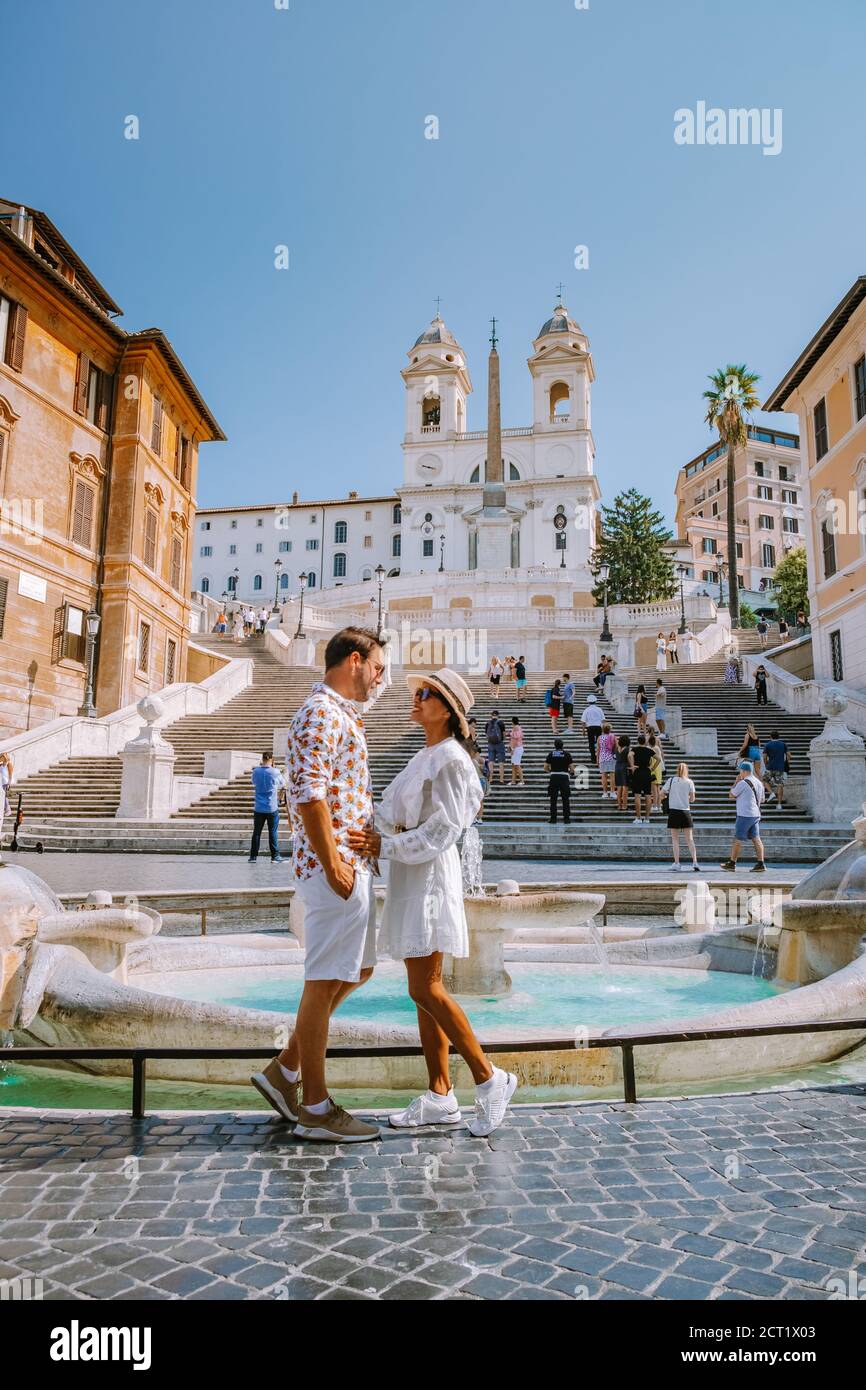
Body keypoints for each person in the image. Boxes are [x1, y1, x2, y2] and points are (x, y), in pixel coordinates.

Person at [346, 669, 517, 1137]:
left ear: (446, 708)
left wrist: (386, 847)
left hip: (428, 877)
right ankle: (441, 1093)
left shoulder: (452, 761)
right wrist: (362, 830)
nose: (415, 699)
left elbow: (445, 831)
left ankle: (489, 1076)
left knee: (427, 988)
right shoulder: (425, 755)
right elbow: (387, 812)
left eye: (424, 694)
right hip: (409, 873)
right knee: (421, 990)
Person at [249, 626, 386, 1142]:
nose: (379, 678)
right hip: (335, 869)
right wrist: (333, 864)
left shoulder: (339, 715)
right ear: (354, 660)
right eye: (376, 667)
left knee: (361, 969)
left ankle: (284, 1071)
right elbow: (308, 795)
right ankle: (316, 1107)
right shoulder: (320, 713)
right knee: (324, 977)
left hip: (350, 864)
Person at [720, 761, 767, 872]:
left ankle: (732, 863)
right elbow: (762, 800)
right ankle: (761, 863)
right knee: (756, 839)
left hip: (744, 814)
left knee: (737, 839)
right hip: (755, 814)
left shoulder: (743, 783)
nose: (740, 773)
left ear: (745, 771)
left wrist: (735, 782)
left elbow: (731, 795)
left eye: (740, 770)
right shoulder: (759, 783)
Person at [248, 752, 285, 862]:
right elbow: (283, 784)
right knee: (272, 831)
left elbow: (254, 782)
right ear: (272, 760)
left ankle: (253, 856)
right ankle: (275, 856)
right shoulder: (275, 772)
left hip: (258, 806)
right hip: (271, 806)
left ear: (262, 759)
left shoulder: (256, 771)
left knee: (257, 832)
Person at [662, 761, 700, 871]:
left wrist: (670, 797)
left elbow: (661, 793)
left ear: (677, 770)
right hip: (686, 812)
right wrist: (685, 797)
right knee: (690, 839)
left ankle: (677, 863)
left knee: (675, 839)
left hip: (674, 812)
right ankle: (695, 862)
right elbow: (692, 799)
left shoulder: (671, 780)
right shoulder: (690, 782)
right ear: (686, 770)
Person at [545, 738, 574, 824]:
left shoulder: (551, 754)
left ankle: (553, 819)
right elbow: (572, 768)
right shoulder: (567, 754)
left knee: (553, 799)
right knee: (565, 799)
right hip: (564, 777)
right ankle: (566, 819)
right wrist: (570, 773)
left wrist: (551, 771)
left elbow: (545, 767)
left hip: (554, 777)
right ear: (562, 745)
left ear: (555, 745)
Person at [628, 734, 654, 825]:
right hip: (647, 772)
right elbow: (658, 759)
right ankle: (647, 818)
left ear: (638, 741)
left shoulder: (634, 749)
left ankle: (638, 817)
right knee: (648, 795)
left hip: (638, 772)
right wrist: (652, 767)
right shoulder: (649, 750)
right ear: (645, 741)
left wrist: (632, 766)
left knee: (637, 796)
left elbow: (630, 755)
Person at [761, 729, 790, 808]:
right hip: (780, 768)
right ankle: (779, 804)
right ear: (778, 737)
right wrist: (786, 762)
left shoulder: (767, 745)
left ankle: (771, 793)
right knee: (780, 785)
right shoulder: (783, 744)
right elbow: (789, 755)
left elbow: (764, 757)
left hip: (770, 767)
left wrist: (766, 763)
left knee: (764, 780)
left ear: (770, 737)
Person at [580, 693, 604, 765]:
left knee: (591, 743)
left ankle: (593, 758)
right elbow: (603, 720)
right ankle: (599, 757)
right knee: (599, 743)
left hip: (590, 727)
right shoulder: (599, 709)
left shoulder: (586, 710)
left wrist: (583, 730)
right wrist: (603, 729)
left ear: (588, 702)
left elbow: (583, 721)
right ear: (595, 701)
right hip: (598, 727)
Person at [485, 709, 506, 785]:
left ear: (491, 715)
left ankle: (490, 779)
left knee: (491, 762)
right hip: (499, 744)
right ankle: (501, 780)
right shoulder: (501, 723)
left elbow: (487, 735)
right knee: (501, 762)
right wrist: (502, 740)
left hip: (490, 744)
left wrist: (490, 740)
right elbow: (504, 734)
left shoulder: (488, 723)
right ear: (498, 715)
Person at [597, 722, 617, 800]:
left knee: (604, 776)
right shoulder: (613, 737)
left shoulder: (599, 738)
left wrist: (597, 759)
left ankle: (605, 793)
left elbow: (598, 749)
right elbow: (616, 747)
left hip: (602, 758)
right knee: (612, 776)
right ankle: (612, 792)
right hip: (611, 757)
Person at [614, 734, 631, 813]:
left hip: (617, 766)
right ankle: (624, 805)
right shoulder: (627, 749)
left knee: (619, 787)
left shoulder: (617, 748)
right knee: (625, 787)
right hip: (625, 767)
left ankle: (619, 805)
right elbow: (629, 759)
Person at [648, 732, 664, 813]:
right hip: (659, 769)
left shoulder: (652, 749)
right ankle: (659, 806)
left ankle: (655, 805)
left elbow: (652, 760)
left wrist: (652, 768)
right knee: (658, 788)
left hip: (654, 768)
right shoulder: (657, 748)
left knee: (654, 789)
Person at [0, 752, 13, 847]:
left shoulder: (8, 764)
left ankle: (8, 809)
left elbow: (10, 774)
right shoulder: (1, 764)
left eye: (2, 757)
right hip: (1, 782)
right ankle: (7, 809)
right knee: (4, 797)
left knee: (4, 797)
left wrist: (9, 783)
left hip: (4, 782)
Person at [509, 716, 524, 786]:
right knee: (514, 765)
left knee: (517, 765)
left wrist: (512, 748)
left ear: (512, 721)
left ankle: (522, 780)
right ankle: (513, 781)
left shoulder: (515, 728)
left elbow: (515, 739)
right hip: (518, 748)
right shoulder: (519, 727)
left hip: (516, 748)